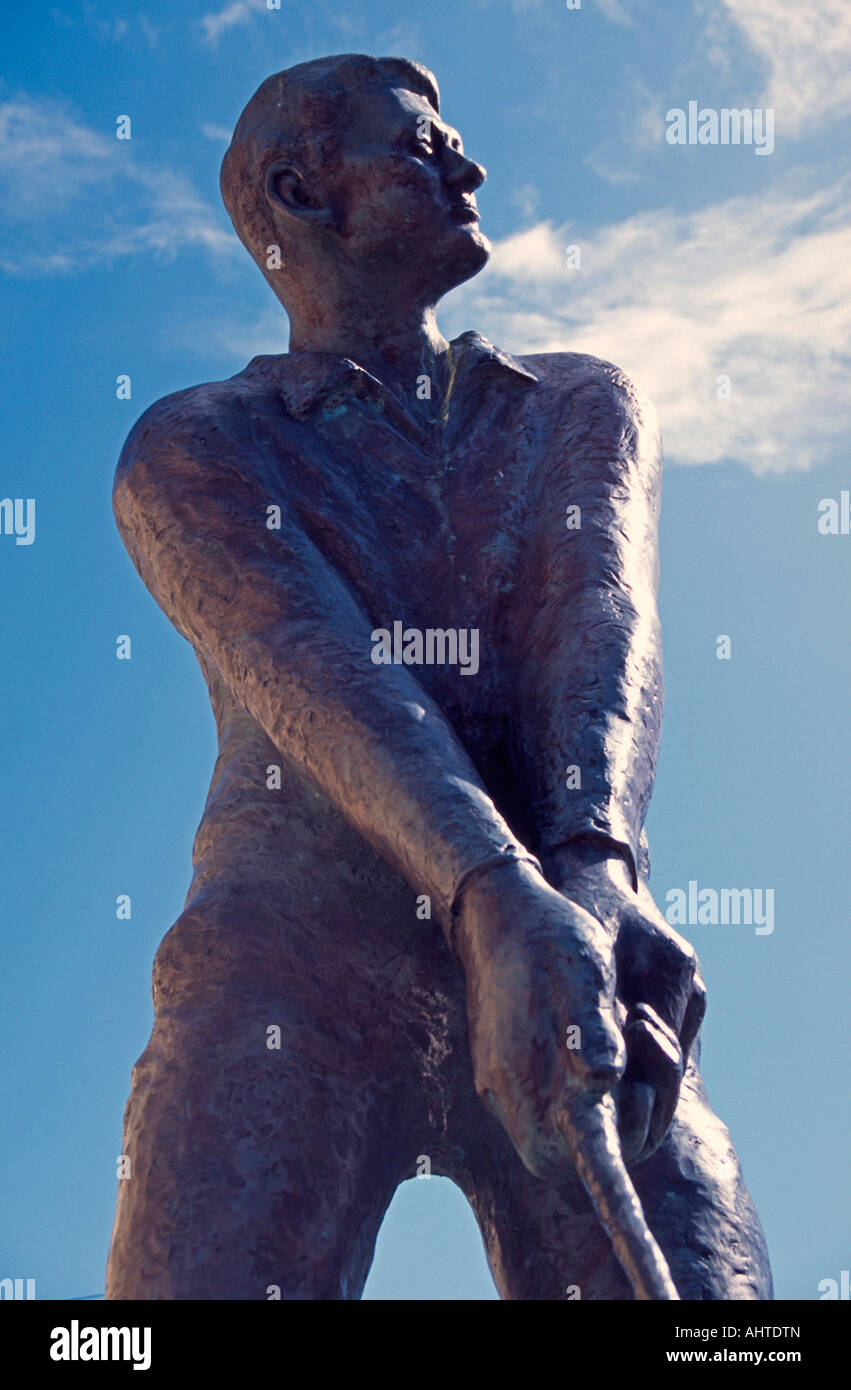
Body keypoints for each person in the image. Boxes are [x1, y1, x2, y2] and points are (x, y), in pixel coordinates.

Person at [105, 54, 772, 1300]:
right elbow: (324, 675)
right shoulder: (194, 446)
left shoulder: (575, 401)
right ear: (301, 194)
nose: (465, 165)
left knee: (703, 1293)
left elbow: (597, 617)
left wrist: (591, 872)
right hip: (291, 963)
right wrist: (491, 894)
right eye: (421, 146)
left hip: (568, 934)